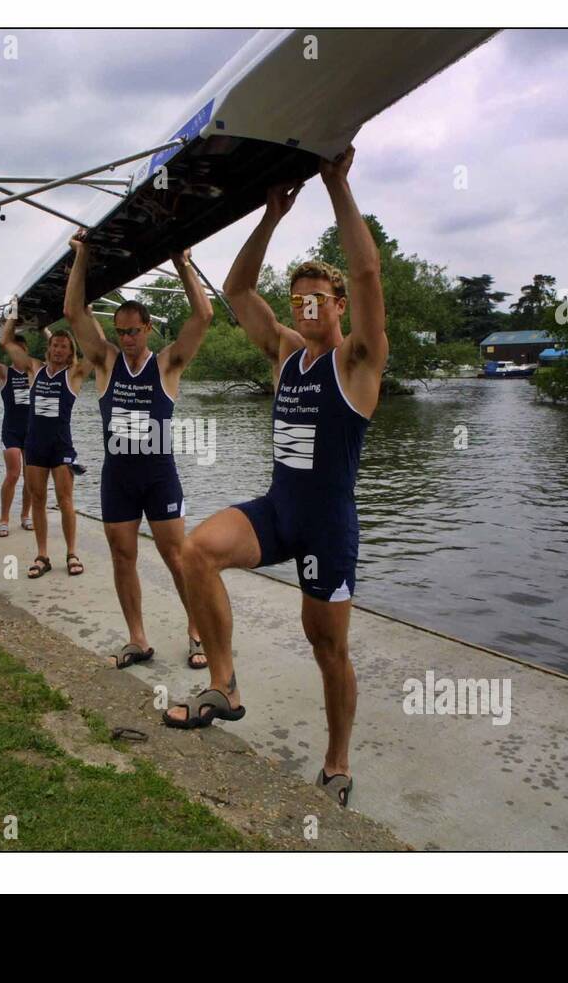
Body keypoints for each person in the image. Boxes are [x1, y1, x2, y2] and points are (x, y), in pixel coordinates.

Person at [163, 148, 387, 811]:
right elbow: (236, 291)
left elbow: (369, 269)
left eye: (316, 298)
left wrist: (337, 183)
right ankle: (226, 685)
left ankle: (337, 759)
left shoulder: (358, 363)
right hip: (278, 508)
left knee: (327, 648)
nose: (304, 308)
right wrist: (270, 213)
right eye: (297, 301)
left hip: (327, 526)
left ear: (339, 303)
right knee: (195, 550)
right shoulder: (287, 353)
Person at [63, 235, 214, 669]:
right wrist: (82, 256)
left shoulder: (167, 364)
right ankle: (137, 639)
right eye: (121, 330)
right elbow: (74, 312)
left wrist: (182, 263)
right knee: (122, 555)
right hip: (119, 478)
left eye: (134, 330)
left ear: (148, 328)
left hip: (159, 475)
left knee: (175, 556)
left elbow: (203, 315)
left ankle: (197, 632)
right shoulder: (105, 362)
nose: (127, 337)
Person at [1, 309, 93, 579]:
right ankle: (42, 556)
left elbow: (97, 351)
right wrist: (12, 312)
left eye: (64, 347)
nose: (58, 350)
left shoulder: (74, 375)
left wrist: (83, 313)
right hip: (35, 446)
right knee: (38, 500)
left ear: (69, 352)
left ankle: (72, 552)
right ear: (49, 347)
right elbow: (6, 342)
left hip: (62, 448)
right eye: (55, 345)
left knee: (65, 500)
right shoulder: (34, 369)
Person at [0, 315, 40, 536]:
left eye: (22, 350)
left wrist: (44, 328)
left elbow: (63, 360)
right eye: (15, 349)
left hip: (32, 432)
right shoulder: (4, 372)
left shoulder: (35, 373)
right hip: (11, 431)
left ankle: (25, 516)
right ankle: (4, 520)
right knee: (13, 474)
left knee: (31, 478)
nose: (18, 354)